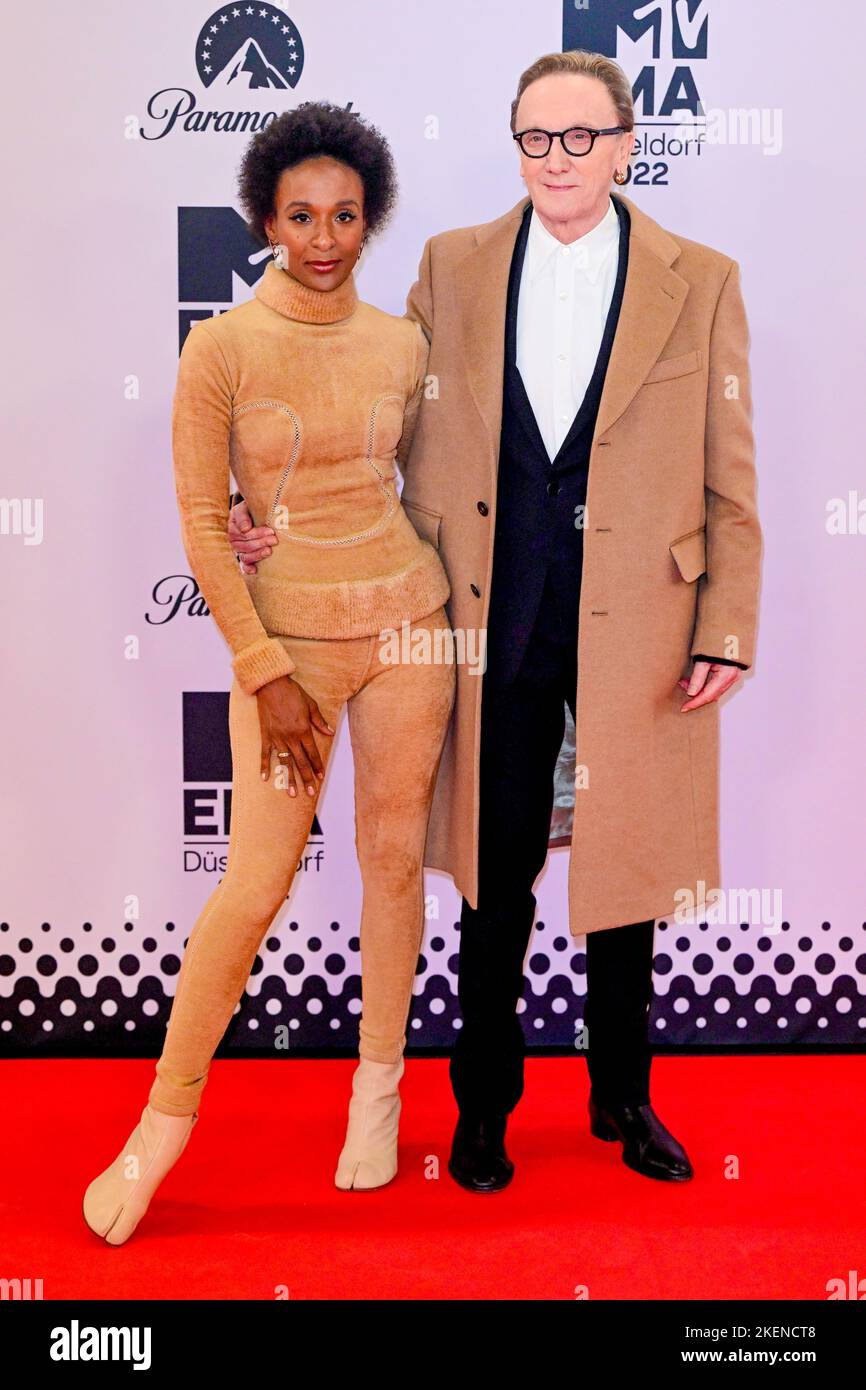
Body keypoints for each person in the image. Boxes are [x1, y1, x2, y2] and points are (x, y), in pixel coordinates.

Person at [234, 49, 762, 1193]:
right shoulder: (452, 264)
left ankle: (623, 1094)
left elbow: (729, 473)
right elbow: (378, 421)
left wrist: (726, 621)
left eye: (581, 137)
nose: (557, 159)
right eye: (535, 137)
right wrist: (266, 510)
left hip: (646, 627)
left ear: (626, 145)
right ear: (513, 143)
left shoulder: (702, 277)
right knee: (493, 875)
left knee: (625, 878)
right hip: (487, 617)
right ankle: (483, 1107)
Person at [82, 102, 455, 1245]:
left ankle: (376, 1096)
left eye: (345, 214)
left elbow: (422, 496)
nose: (325, 236)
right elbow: (204, 521)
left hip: (410, 629)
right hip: (286, 651)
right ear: (264, 219)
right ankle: (158, 1131)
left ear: (370, 219)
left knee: (393, 865)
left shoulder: (401, 341)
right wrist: (263, 667)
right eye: (302, 215)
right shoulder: (222, 348)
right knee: (253, 886)